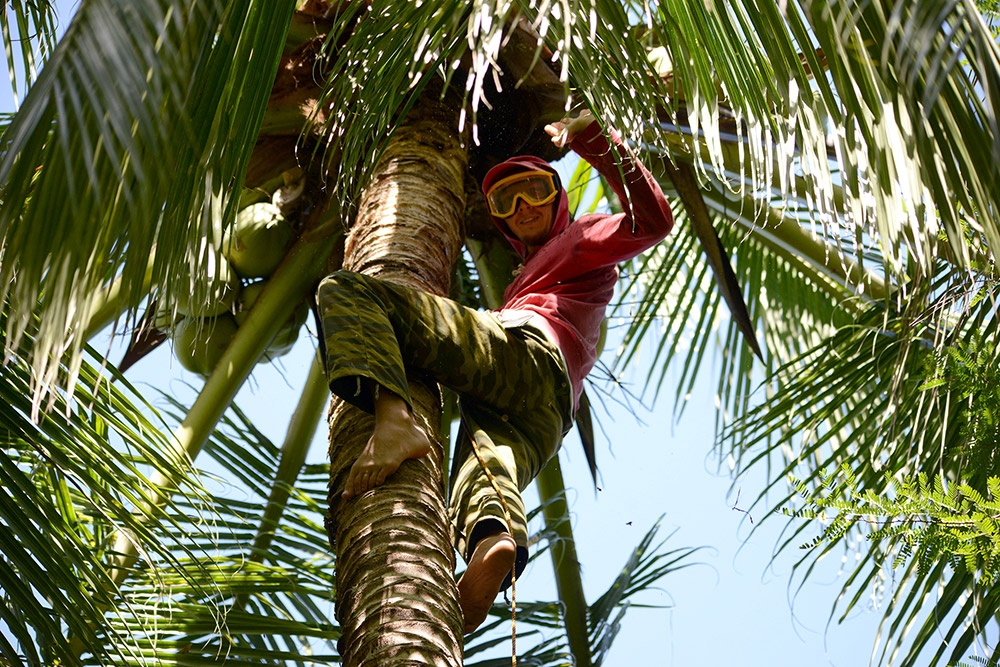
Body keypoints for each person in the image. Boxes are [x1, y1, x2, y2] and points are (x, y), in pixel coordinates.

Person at [315, 109, 674, 634]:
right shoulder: (531, 271)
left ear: (560, 199)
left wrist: (593, 138)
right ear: (500, 223)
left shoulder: (582, 238)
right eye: (508, 201)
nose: (525, 206)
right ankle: (494, 541)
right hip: (549, 412)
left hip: (528, 351)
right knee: (482, 470)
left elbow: (654, 221)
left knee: (345, 290)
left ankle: (394, 417)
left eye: (534, 190)